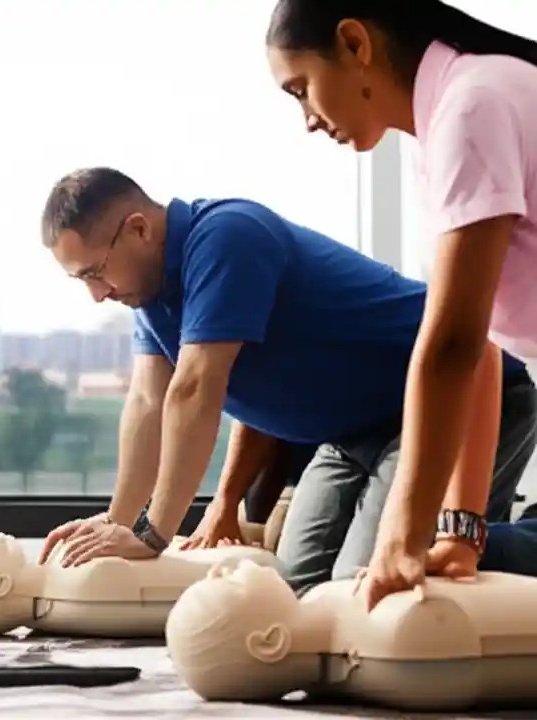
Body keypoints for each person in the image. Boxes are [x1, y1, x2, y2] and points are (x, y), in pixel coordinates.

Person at [33, 167, 537, 599]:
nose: (97, 295)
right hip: (351, 433)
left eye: (95, 272)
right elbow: (149, 402)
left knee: (364, 585)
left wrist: (152, 534)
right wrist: (118, 522)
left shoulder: (227, 237)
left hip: (449, 399)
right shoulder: (149, 294)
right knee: (295, 590)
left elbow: (194, 390)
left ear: (139, 229)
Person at [264, 0, 537, 608]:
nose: (308, 119)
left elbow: (451, 346)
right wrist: (458, 532)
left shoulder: (473, 105)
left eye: (301, 89)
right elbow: (481, 349)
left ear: (355, 44)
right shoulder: (446, 123)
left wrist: (400, 538)